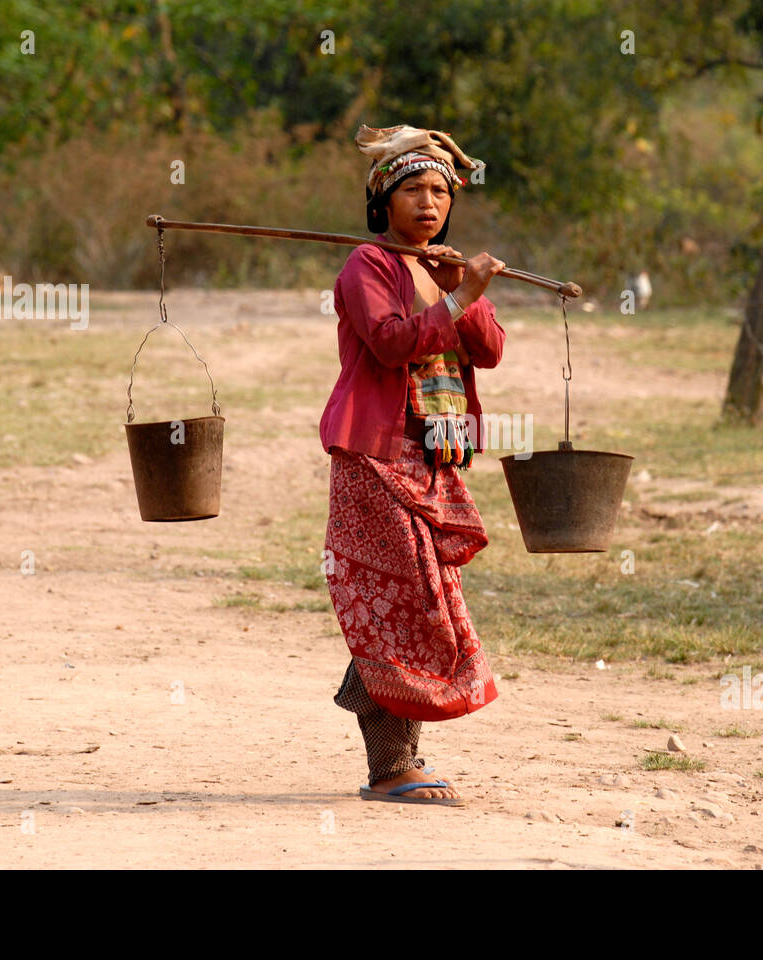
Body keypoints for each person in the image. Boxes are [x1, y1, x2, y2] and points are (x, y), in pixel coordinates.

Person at [319, 124, 506, 806]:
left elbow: (487, 350)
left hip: (432, 458)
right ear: (382, 201)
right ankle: (392, 767)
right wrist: (455, 298)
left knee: (414, 603)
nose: (430, 203)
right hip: (373, 456)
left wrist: (465, 290)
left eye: (441, 190)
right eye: (413, 189)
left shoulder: (441, 268)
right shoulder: (367, 266)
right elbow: (393, 344)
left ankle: (396, 758)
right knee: (401, 603)